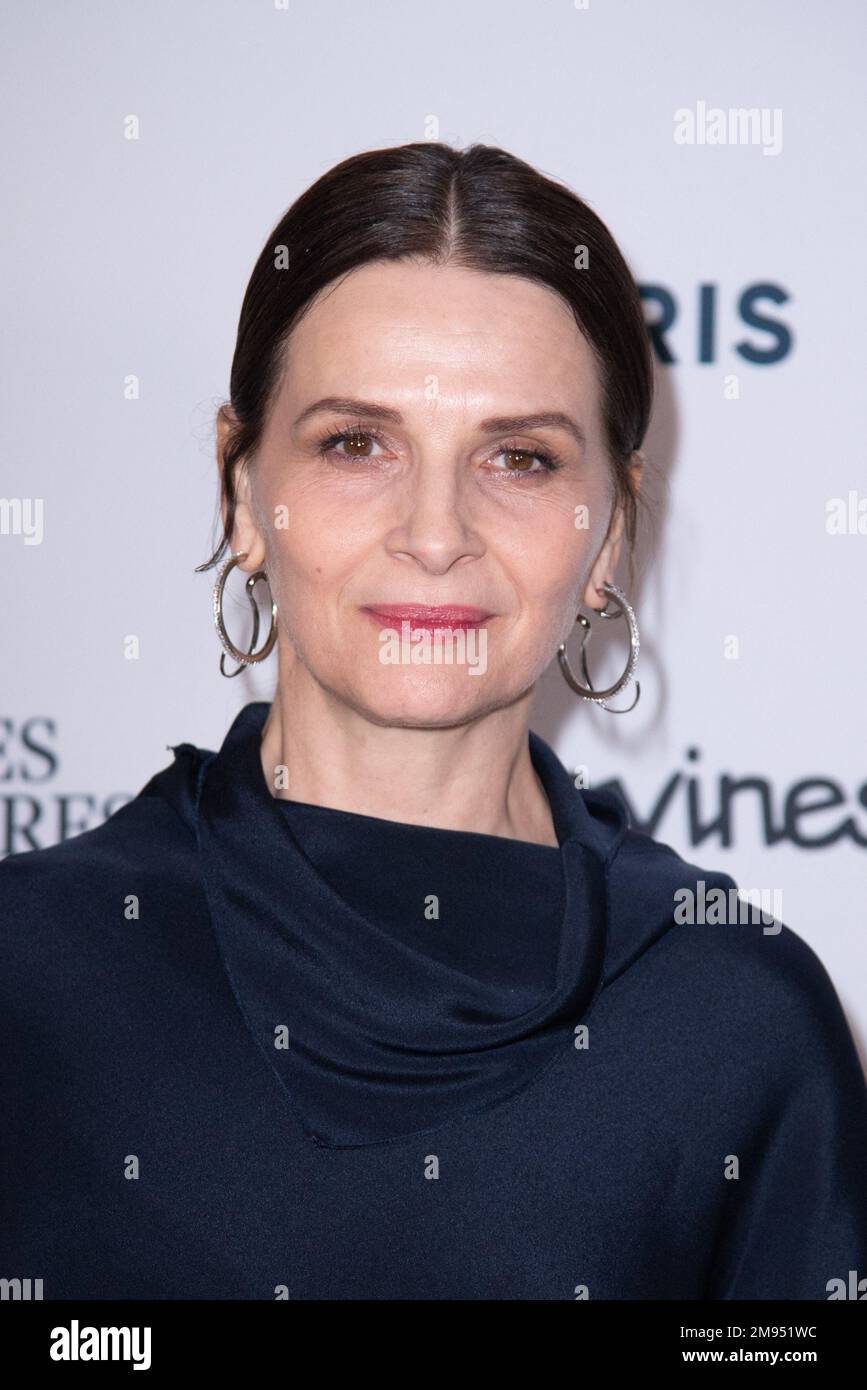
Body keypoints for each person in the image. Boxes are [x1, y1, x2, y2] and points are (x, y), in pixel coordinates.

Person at [2, 142, 865, 1301]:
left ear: (610, 532)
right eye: (357, 443)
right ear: (243, 491)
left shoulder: (737, 1016)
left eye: (519, 456)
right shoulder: (33, 972)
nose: (436, 530)